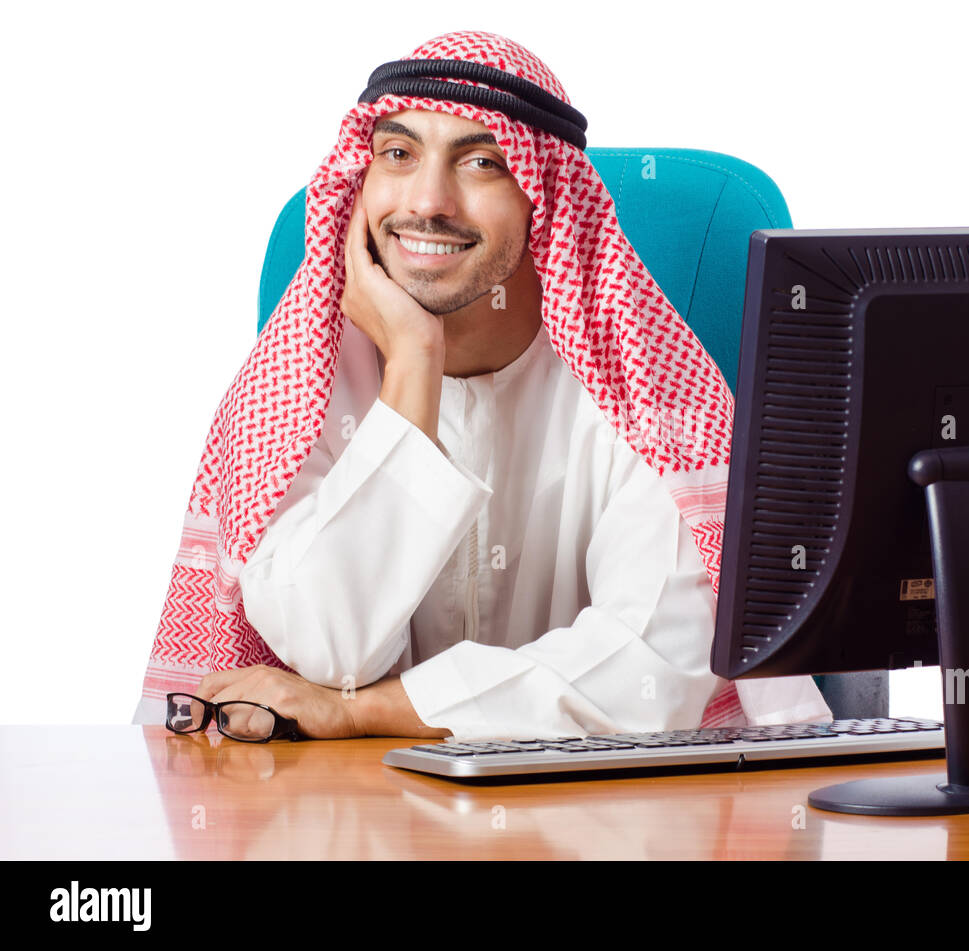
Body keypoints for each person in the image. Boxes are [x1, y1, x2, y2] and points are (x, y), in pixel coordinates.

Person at [132, 30, 832, 740]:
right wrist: (413, 360)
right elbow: (327, 646)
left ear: (544, 198)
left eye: (481, 162)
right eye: (398, 155)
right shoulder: (301, 388)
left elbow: (652, 673)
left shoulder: (640, 388)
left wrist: (363, 711)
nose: (429, 202)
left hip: (593, 825)